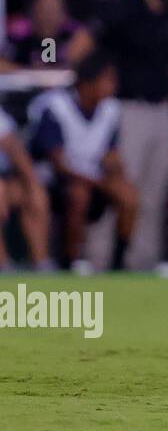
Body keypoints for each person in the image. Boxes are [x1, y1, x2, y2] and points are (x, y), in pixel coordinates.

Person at [67, 0, 168, 269]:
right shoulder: (123, 8)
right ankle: (99, 260)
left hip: (162, 114)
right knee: (121, 189)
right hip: (126, 112)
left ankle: (141, 263)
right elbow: (79, 48)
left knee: (153, 196)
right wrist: (89, 93)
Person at [28, 50, 137, 270]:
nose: (113, 86)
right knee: (79, 195)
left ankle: (118, 264)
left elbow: (110, 154)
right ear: (88, 83)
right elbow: (58, 164)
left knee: (128, 195)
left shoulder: (110, 109)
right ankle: (68, 263)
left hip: (93, 179)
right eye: (108, 80)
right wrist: (97, 182)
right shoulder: (55, 106)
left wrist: (116, 171)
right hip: (55, 183)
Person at [0, 108, 51, 270]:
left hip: (5, 178)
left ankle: (41, 264)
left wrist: (33, 183)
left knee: (34, 195)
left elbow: (12, 146)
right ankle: (3, 265)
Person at [4, 0, 82, 68]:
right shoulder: (18, 40)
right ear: (32, 12)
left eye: (53, 9)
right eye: (43, 9)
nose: (48, 16)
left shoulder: (76, 39)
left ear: (64, 13)